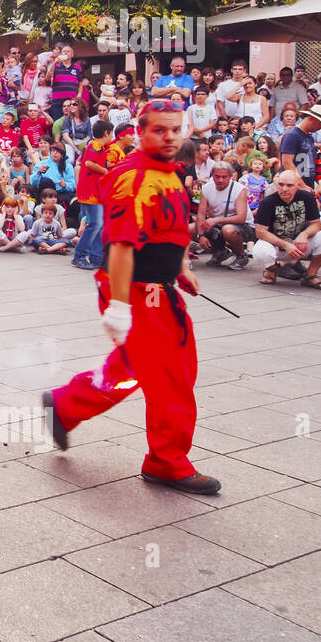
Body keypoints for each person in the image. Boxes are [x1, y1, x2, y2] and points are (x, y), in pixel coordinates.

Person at [43, 100, 222, 495]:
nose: (170, 137)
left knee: (138, 366)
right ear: (141, 131)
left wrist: (181, 268)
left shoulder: (169, 172)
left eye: (176, 129)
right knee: (171, 376)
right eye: (160, 129)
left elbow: (167, 230)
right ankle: (167, 462)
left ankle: (66, 404)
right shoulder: (134, 177)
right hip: (140, 290)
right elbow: (121, 246)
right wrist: (121, 306)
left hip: (159, 286)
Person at [253, 170, 321, 288]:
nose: (284, 189)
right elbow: (260, 232)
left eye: (289, 185)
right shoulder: (268, 202)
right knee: (260, 252)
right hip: (276, 246)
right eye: (281, 185)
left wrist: (305, 234)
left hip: (300, 245)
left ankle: (310, 275)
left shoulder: (307, 197)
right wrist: (285, 244)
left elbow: (316, 224)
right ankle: (272, 269)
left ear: (297, 185)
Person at [73, 120, 120, 271]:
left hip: (97, 191)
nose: (112, 136)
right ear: (106, 133)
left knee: (98, 225)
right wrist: (106, 171)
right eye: (111, 133)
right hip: (90, 191)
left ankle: (96, 257)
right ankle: (79, 256)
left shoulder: (102, 147)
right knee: (94, 224)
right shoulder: (95, 145)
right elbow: (89, 164)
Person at [195, 161, 254, 271]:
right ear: (212, 175)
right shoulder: (207, 188)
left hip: (243, 226)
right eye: (217, 176)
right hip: (219, 224)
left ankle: (241, 255)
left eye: (224, 177)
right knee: (192, 228)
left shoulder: (239, 189)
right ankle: (221, 251)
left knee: (228, 229)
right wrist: (200, 236)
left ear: (231, 176)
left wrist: (216, 220)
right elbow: (201, 214)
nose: (220, 180)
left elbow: (241, 217)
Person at [280, 103, 321, 188]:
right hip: (293, 187)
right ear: (311, 119)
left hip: (308, 184)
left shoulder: (309, 137)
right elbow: (287, 163)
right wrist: (302, 185)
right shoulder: (292, 135)